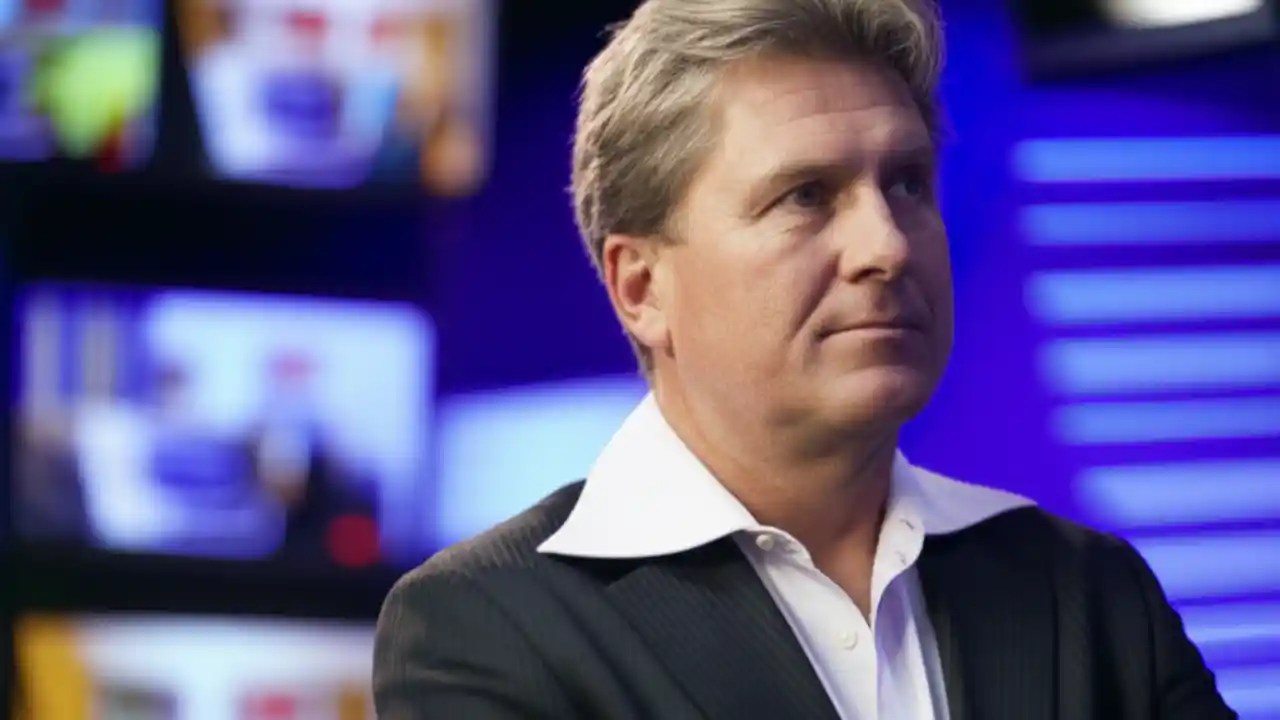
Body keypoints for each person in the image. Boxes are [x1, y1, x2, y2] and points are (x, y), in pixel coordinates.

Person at [373, 1, 1236, 717]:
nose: (886, 247)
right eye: (805, 197)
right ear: (641, 287)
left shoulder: (1089, 596)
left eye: (907, 183)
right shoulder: (485, 628)